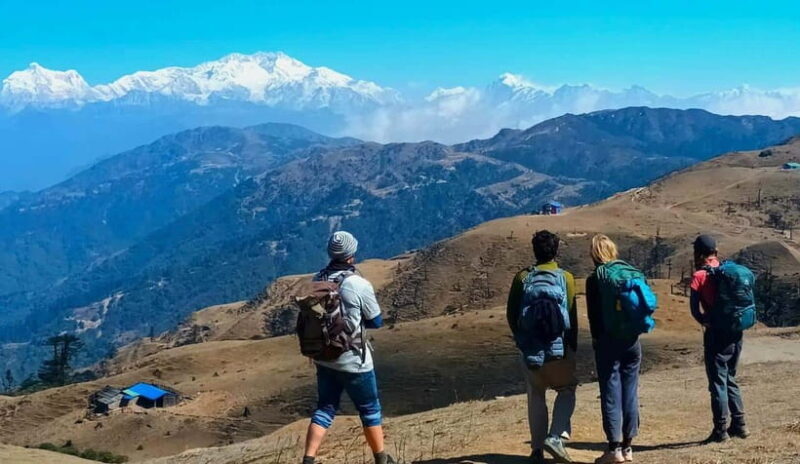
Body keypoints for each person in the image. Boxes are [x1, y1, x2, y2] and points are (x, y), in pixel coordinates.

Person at [301, 231, 395, 464]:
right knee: (370, 409)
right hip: (354, 359)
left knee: (325, 409)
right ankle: (381, 459)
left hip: (324, 357)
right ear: (351, 254)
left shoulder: (317, 279)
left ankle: (308, 459)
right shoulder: (357, 283)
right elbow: (376, 321)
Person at [507, 230, 578, 464]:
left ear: (534, 251)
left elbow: (512, 314)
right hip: (560, 350)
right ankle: (556, 436)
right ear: (556, 251)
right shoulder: (566, 278)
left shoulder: (522, 278)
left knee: (536, 394)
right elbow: (571, 315)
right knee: (566, 390)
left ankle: (536, 449)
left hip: (531, 349)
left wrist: (522, 340)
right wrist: (572, 346)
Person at [586, 235, 641, 464]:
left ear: (594, 254)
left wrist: (597, 339)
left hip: (608, 341)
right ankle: (628, 447)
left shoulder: (594, 279)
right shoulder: (628, 272)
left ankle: (613, 449)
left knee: (610, 392)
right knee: (630, 391)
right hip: (632, 341)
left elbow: (594, 316)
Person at [690, 234, 749, 443]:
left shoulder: (699, 276)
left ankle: (720, 430)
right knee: (730, 377)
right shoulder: (728, 270)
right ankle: (740, 425)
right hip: (736, 330)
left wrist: (704, 320)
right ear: (715, 252)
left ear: (698, 253)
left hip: (716, 333)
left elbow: (694, 309)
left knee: (717, 382)